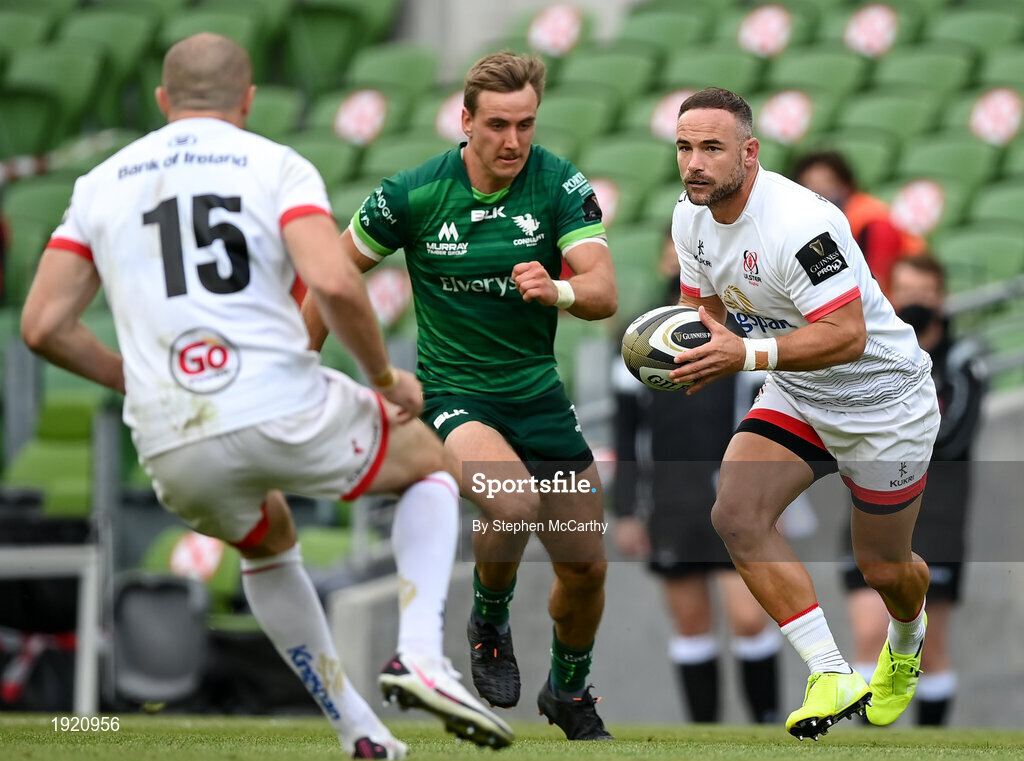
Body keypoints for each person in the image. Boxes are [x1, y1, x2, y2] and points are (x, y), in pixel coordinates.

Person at [19, 33, 512, 759]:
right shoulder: (274, 164)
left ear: (162, 103)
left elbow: (40, 325)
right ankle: (418, 655)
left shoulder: (101, 183)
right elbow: (338, 282)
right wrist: (384, 378)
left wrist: (132, 378)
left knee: (267, 537)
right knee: (428, 460)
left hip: (168, 435)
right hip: (277, 400)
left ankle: (359, 730)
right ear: (247, 101)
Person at [302, 52, 617, 740]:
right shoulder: (413, 193)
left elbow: (603, 289)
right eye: (498, 124)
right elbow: (330, 274)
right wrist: (295, 363)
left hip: (538, 396)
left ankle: (568, 690)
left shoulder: (558, 181)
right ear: (465, 119)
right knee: (510, 501)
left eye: (525, 125)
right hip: (454, 395)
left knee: (587, 565)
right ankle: (489, 617)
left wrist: (557, 288)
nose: (513, 141)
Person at [667, 88, 940, 740]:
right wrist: (682, 352)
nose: (695, 163)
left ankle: (908, 636)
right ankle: (830, 671)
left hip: (884, 405)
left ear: (749, 152)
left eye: (711, 147)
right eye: (684, 147)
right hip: (799, 392)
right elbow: (698, 313)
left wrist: (745, 353)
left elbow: (846, 334)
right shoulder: (688, 216)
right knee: (735, 513)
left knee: (884, 570)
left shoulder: (802, 222)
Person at [612, 234, 781, 724]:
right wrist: (625, 511)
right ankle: (705, 735)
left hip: (733, 501)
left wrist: (772, 504)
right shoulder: (637, 339)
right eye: (671, 255)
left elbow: (766, 423)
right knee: (691, 622)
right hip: (668, 503)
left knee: (750, 619)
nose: (680, 264)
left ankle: (768, 725)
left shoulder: (741, 331)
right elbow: (627, 436)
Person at [840, 254, 987, 725]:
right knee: (867, 633)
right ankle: (870, 742)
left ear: (941, 298)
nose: (916, 301)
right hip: (872, 508)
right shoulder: (870, 354)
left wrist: (889, 425)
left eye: (926, 291)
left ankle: (928, 742)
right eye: (906, 290)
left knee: (930, 642)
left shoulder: (964, 362)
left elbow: (953, 435)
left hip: (938, 516)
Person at [791, 150, 924, 300]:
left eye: (827, 183)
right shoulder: (817, 225)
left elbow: (879, 286)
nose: (821, 191)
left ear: (847, 185)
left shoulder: (873, 220)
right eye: (811, 186)